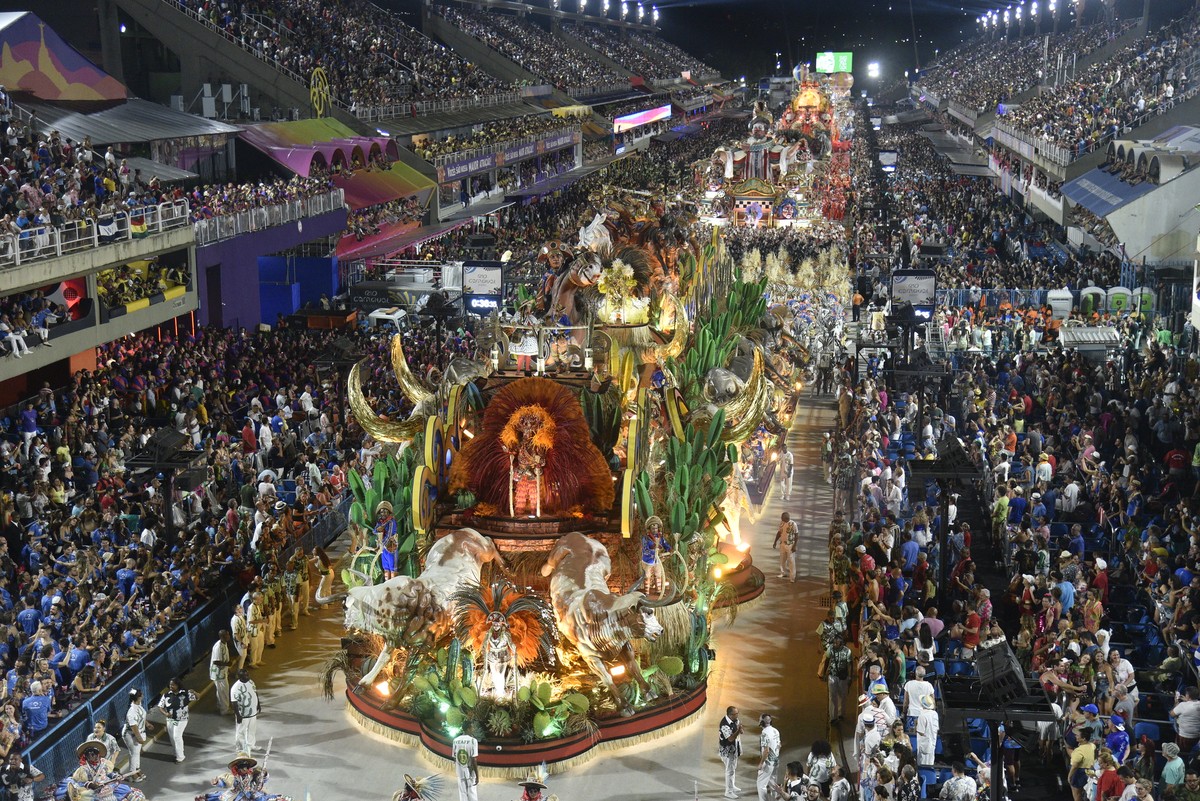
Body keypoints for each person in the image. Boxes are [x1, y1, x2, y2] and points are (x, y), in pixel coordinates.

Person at [68, 740, 146, 801]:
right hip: (96, 792)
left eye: (96, 753)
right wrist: (90, 784)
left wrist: (116, 776)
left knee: (131, 794)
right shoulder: (84, 769)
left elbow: (109, 774)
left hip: (110, 785)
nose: (95, 756)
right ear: (86, 757)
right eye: (91, 754)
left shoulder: (104, 763)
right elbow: (80, 783)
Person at [195, 752, 290, 801]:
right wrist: (217, 782)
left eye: (245, 766)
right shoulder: (234, 776)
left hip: (252, 793)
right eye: (241, 766)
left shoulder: (254, 773)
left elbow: (263, 780)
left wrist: (263, 774)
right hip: (237, 794)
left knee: (261, 799)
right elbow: (225, 782)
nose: (243, 769)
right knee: (221, 797)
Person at [158, 676, 198, 763]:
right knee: (172, 737)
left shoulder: (185, 693)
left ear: (178, 685)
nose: (171, 686)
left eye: (173, 685)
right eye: (170, 685)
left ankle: (180, 757)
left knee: (177, 736)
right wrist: (165, 714)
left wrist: (194, 692)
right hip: (171, 720)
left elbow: (197, 697)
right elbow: (160, 706)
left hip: (182, 719)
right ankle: (177, 752)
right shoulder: (166, 695)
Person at [123, 688, 149, 781]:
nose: (143, 695)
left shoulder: (138, 705)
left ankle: (137, 770)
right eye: (141, 694)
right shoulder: (132, 711)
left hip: (138, 732)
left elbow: (141, 716)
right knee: (134, 753)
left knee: (136, 752)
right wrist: (139, 738)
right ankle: (132, 774)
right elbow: (134, 727)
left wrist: (147, 724)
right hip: (130, 734)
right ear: (139, 697)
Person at [231, 669, 260, 754]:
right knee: (241, 731)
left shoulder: (251, 682)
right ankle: (240, 749)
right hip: (243, 714)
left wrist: (258, 704)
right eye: (245, 676)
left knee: (252, 730)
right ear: (240, 677)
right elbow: (234, 702)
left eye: (248, 675)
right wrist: (238, 715)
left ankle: (251, 745)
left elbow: (255, 693)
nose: (247, 677)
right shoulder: (235, 687)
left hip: (253, 712)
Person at [719, 705, 744, 799]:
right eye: (735, 714)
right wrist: (738, 730)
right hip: (727, 751)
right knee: (729, 771)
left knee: (732, 769)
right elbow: (730, 739)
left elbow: (740, 731)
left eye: (737, 713)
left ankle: (732, 786)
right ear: (730, 715)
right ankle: (728, 792)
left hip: (734, 749)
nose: (737, 715)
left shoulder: (735, 720)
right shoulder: (724, 724)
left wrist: (740, 730)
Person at [757, 713, 781, 801]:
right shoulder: (776, 731)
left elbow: (766, 750)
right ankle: (777, 797)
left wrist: (761, 763)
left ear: (762, 722)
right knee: (772, 781)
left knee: (761, 784)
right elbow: (779, 745)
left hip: (768, 762)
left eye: (759, 719)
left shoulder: (764, 733)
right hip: (776, 761)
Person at [211, 630, 234, 715]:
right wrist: (227, 664)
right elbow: (216, 662)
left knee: (220, 690)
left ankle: (220, 705)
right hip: (218, 673)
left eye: (228, 634)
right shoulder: (218, 647)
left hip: (222, 672)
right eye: (226, 635)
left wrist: (227, 668)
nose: (228, 636)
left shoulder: (224, 644)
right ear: (222, 637)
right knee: (224, 691)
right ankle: (225, 710)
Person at [375, 501, 399, 580]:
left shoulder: (391, 522)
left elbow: (389, 534)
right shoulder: (380, 521)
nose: (383, 514)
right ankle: (386, 583)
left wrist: (382, 545)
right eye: (382, 512)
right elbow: (374, 530)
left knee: (392, 568)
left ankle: (393, 584)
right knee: (385, 567)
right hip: (383, 548)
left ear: (389, 512)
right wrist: (378, 530)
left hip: (390, 546)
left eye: (385, 511)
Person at [452, 730, 479, 801]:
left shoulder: (455, 740)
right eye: (472, 727)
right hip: (470, 771)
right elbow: (474, 760)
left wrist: (459, 767)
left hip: (460, 771)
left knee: (462, 793)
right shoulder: (473, 741)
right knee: (472, 792)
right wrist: (477, 775)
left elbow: (454, 757)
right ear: (468, 728)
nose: (473, 729)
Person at [774, 512, 798, 583]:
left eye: (782, 518)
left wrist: (795, 545)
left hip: (790, 545)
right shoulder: (782, 523)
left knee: (791, 561)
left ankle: (792, 577)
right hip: (782, 544)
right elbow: (779, 533)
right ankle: (783, 573)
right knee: (782, 559)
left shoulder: (793, 524)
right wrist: (775, 542)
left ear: (786, 518)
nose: (781, 519)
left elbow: (796, 535)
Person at [915, 695, 939, 767]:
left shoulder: (922, 716)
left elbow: (921, 732)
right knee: (930, 764)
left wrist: (916, 724)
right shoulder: (935, 714)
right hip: (932, 743)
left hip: (924, 744)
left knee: (922, 765)